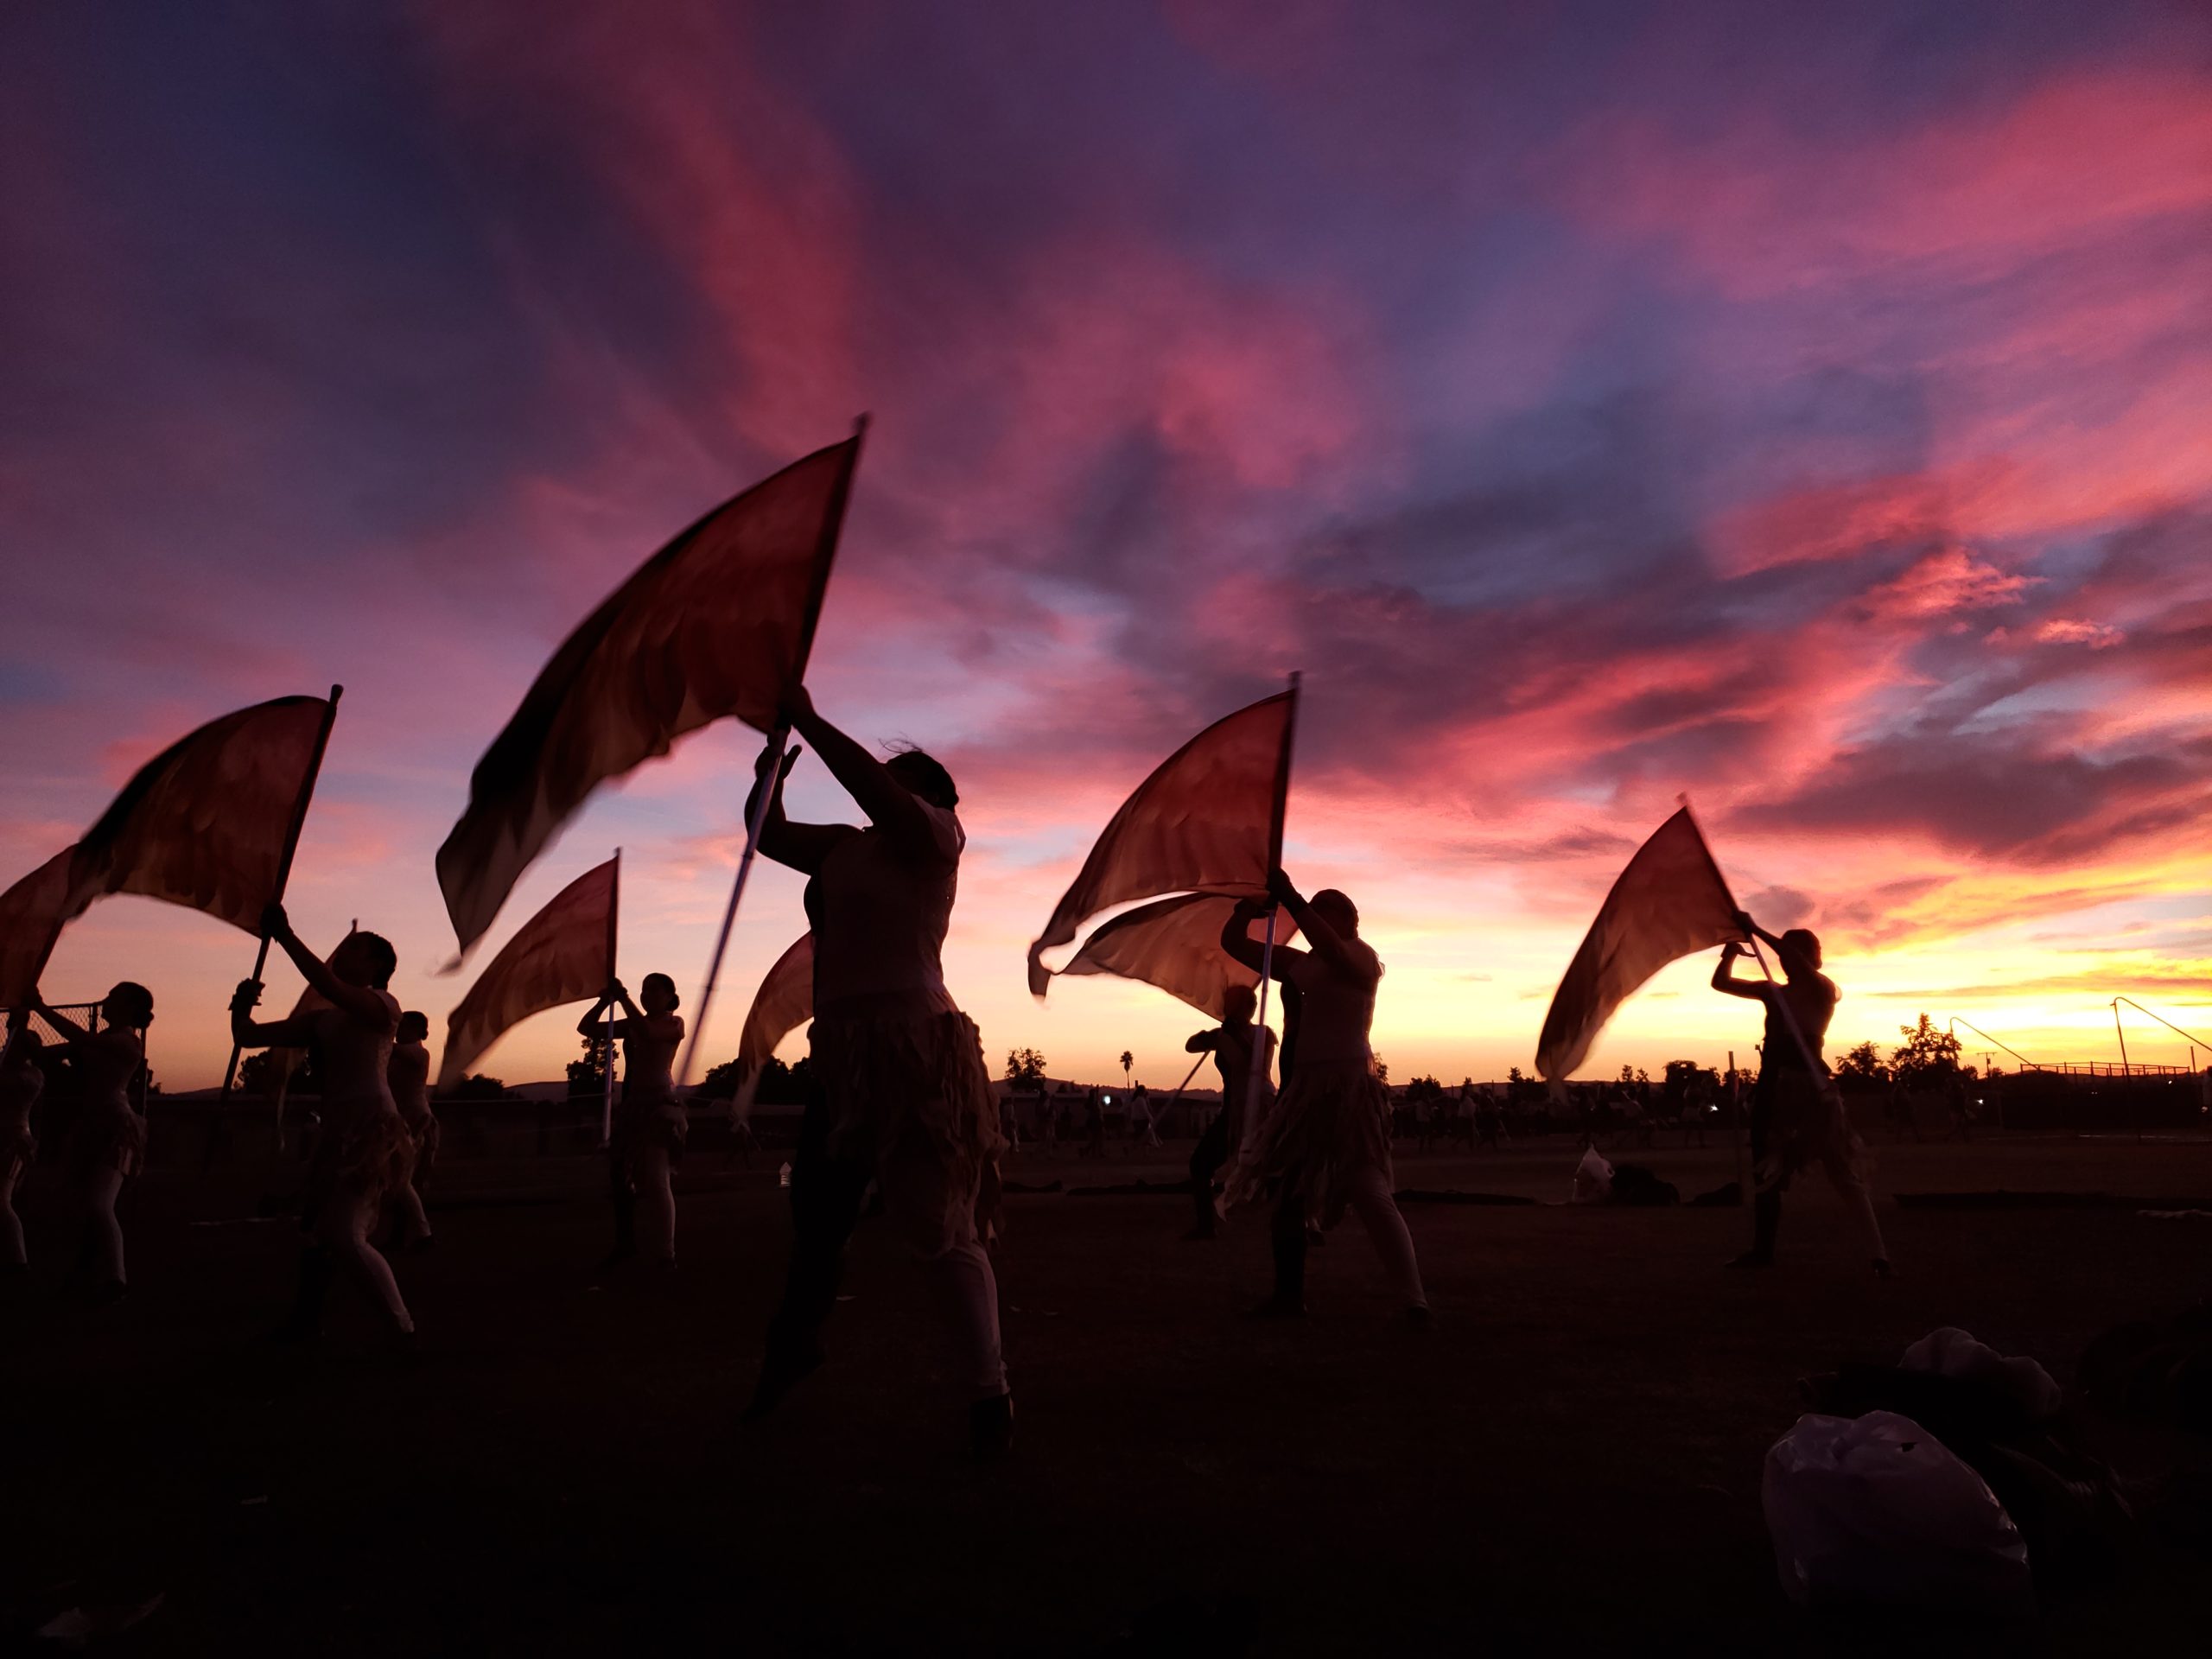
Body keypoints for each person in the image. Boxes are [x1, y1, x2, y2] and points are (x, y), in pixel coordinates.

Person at [740, 690, 1013, 1455]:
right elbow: (769, 836)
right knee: (819, 1217)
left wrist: (813, 719)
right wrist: (771, 774)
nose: (884, 791)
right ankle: (797, 1346)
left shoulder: (934, 837)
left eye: (898, 781)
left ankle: (988, 1392)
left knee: (934, 1225)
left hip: (915, 1051)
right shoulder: (844, 847)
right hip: (846, 1056)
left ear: (930, 794)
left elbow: (876, 793)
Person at [1221, 875, 1428, 1324]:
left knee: (1370, 1192)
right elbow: (1237, 947)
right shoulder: (1310, 966)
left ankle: (1414, 1301)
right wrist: (1246, 912)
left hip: (1347, 1092)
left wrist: (1293, 899)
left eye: (1325, 909)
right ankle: (1288, 1297)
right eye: (1315, 908)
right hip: (1307, 1093)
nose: (1314, 915)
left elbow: (1331, 947)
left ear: (1349, 921)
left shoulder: (1360, 957)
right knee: (1290, 1194)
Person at [232, 907, 416, 1341]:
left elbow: (328, 984)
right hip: (339, 1132)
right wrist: (240, 1004)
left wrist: (286, 936)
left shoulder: (383, 1006)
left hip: (372, 1131)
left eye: (353, 949)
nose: (341, 954)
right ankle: (306, 1320)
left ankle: (402, 1327)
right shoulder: (324, 1020)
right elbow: (249, 1037)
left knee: (345, 1235)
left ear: (376, 966)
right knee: (313, 1231)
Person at [1710, 916, 1889, 1275]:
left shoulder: (1822, 988)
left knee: (1840, 1170)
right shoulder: (1774, 992)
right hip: (1774, 1086)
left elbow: (1795, 961)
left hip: (1809, 1089)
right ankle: (1762, 1251)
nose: (1816, 956)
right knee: (1766, 1169)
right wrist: (1728, 955)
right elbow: (1721, 983)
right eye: (1814, 949)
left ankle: (1879, 1255)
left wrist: (1757, 928)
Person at [32, 983, 150, 1302]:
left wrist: (39, 1008)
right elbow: (52, 1052)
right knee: (89, 1205)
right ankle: (87, 1272)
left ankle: (117, 1279)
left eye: (114, 997)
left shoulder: (128, 1043)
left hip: (116, 1130)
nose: (106, 1000)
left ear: (129, 1007)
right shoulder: (106, 1041)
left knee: (100, 1204)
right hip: (93, 1126)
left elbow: (79, 1041)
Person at [577, 974, 686, 1269]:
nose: (646, 994)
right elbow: (586, 1029)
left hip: (660, 1106)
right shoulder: (634, 1023)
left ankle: (667, 1253)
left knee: (656, 1177)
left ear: (669, 996)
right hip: (634, 1106)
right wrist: (603, 1002)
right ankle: (626, 1243)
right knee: (620, 1177)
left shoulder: (673, 1024)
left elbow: (648, 1033)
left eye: (654, 989)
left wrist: (623, 998)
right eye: (644, 990)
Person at [1182, 984, 1275, 1240]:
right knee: (1200, 1164)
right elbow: (1190, 1046)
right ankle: (1206, 1225)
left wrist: (1233, 1037)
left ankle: (1303, 1223)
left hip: (1260, 1107)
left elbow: (1254, 1062)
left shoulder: (1263, 1034)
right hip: (1234, 1109)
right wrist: (1210, 1037)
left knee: (1278, 1166)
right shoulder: (1223, 1035)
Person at [385, 1011, 437, 1252]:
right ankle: (404, 1234)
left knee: (402, 1181)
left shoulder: (418, 1052)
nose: (399, 1030)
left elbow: (389, 1047)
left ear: (418, 1031)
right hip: (403, 1122)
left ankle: (422, 1233)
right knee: (399, 1182)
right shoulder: (400, 1056)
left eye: (404, 1026)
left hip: (416, 1124)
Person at [2, 1018, 45, 1274]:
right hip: (10, 1138)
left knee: (2, 1200)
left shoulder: (30, 1076)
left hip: (14, 1141)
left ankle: (19, 1261)